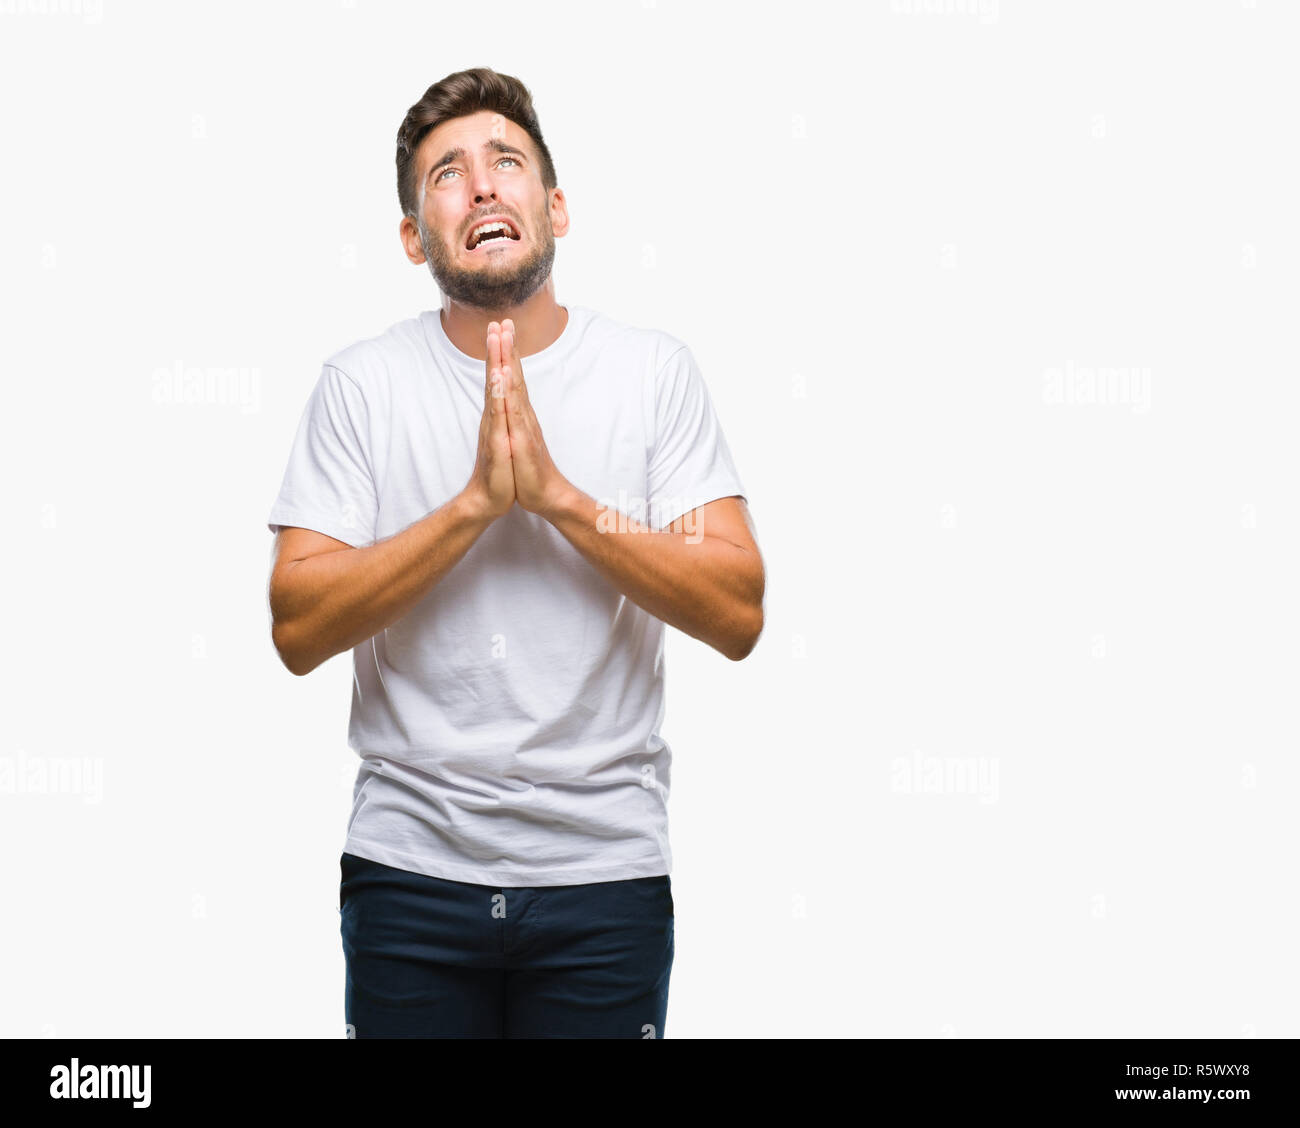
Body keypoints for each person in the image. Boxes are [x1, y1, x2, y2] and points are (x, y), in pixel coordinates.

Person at [265, 67, 765, 1038]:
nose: (483, 185)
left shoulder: (650, 373)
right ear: (415, 235)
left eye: (507, 161)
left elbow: (738, 608)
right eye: (447, 173)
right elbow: (296, 624)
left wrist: (563, 503)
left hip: (603, 880)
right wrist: (469, 511)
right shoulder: (361, 386)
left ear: (556, 206)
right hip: (410, 876)